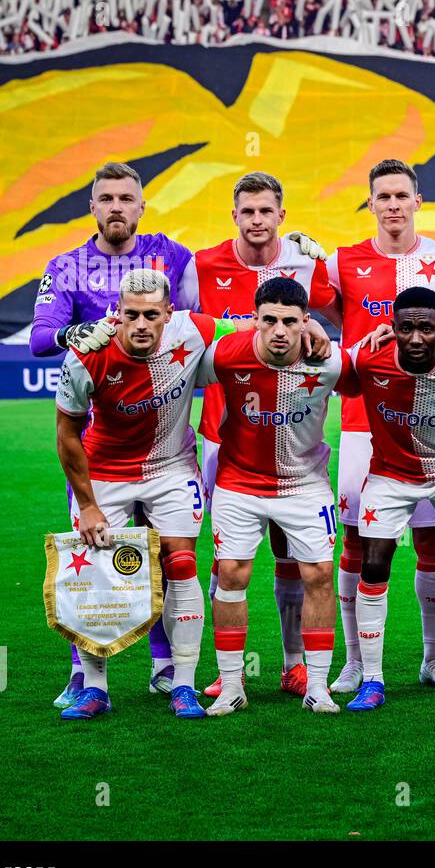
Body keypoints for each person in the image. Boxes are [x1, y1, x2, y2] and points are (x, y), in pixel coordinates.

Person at [34, 161, 195, 707]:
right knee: (98, 554)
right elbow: (39, 338)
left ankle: (165, 664)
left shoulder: (172, 254)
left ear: (142, 206)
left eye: (127, 198)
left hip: (165, 431)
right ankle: (85, 675)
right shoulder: (67, 265)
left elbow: (200, 321)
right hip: (101, 435)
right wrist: (78, 332)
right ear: (93, 205)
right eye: (106, 198)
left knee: (169, 556)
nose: (117, 207)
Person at [326, 159, 435, 696]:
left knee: (433, 543)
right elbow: (310, 326)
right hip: (363, 425)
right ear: (369, 204)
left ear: (419, 201)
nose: (392, 205)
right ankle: (354, 663)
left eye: (401, 195)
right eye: (382, 196)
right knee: (357, 545)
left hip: (434, 424)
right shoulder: (340, 262)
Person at [179, 171, 337, 700]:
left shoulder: (304, 266)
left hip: (294, 443)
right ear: (234, 215)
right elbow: (184, 330)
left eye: (266, 211)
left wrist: (324, 283)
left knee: (295, 557)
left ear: (281, 215)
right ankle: (227, 671)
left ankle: (297, 665)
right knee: (229, 560)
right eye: (247, 211)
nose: (256, 220)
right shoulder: (202, 265)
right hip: (224, 438)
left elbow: (338, 317)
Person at [53, 269, 228, 719]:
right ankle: (94, 687)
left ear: (169, 313)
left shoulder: (193, 330)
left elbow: (254, 330)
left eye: (152, 314)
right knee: (92, 571)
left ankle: (183, 684)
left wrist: (308, 327)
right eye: (131, 314)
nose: (142, 324)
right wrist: (88, 505)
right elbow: (67, 435)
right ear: (119, 311)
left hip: (171, 467)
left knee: (182, 564)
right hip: (105, 473)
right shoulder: (86, 355)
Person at [335, 287, 435, 711]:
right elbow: (319, 359)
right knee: (372, 565)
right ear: (392, 328)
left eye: (427, 328)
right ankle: (372, 678)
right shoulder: (367, 357)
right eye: (405, 328)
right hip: (390, 475)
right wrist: (317, 326)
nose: (416, 338)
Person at [193, 277, 343, 715]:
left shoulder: (330, 364)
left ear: (306, 323)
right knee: (233, 576)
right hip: (239, 483)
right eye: (270, 320)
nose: (280, 330)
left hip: (306, 486)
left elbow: (382, 372)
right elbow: (175, 342)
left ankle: (317, 685)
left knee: (318, 575)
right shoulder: (224, 355)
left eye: (291, 322)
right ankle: (233, 683)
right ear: (254, 320)